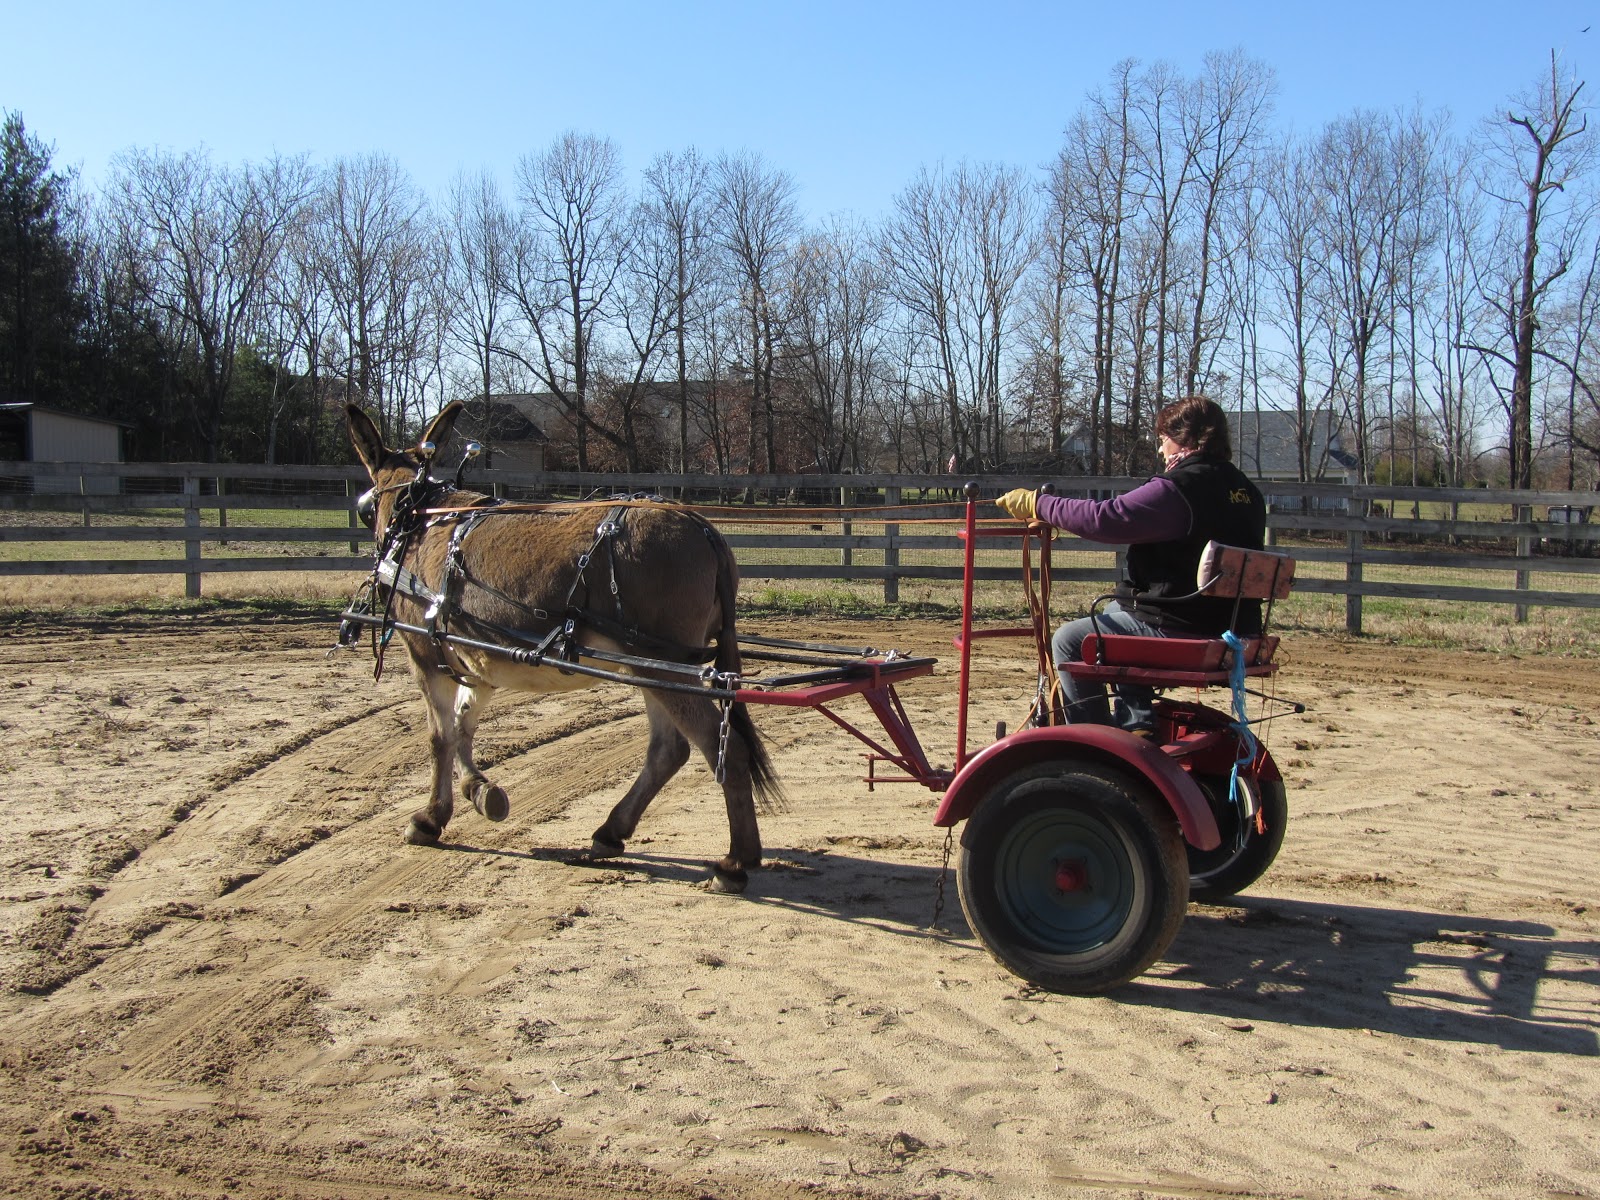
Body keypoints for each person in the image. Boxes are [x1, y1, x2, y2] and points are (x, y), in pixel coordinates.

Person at [996, 396, 1267, 735]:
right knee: (1117, 611)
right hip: (1235, 628)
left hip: (1187, 628)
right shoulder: (1247, 491)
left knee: (1069, 640)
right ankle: (1138, 722)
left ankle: (1094, 742)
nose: (1161, 449)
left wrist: (1039, 504)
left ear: (1184, 438)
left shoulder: (1180, 489)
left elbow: (1106, 518)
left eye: (1164, 439)